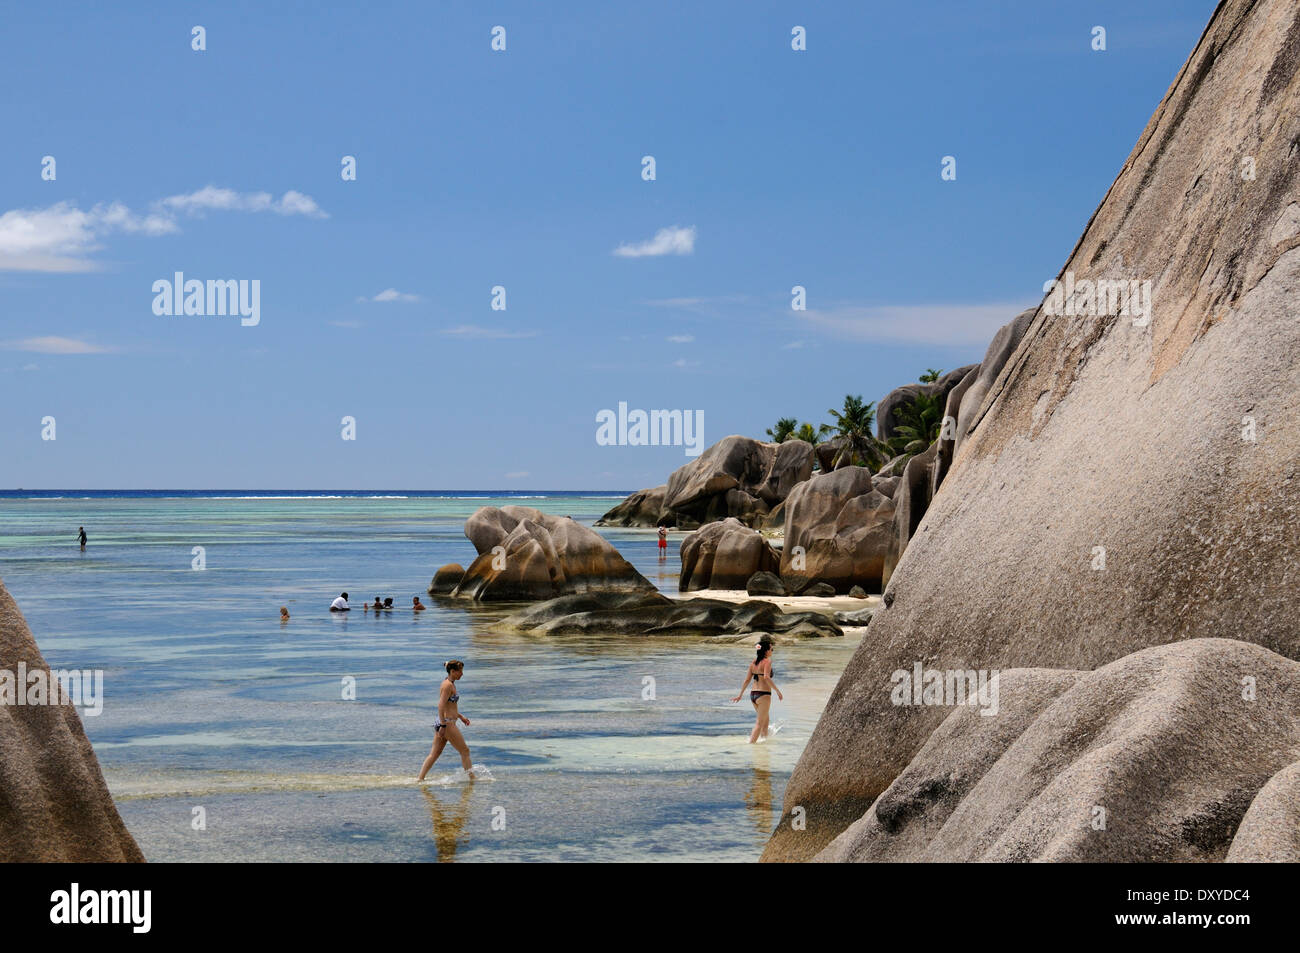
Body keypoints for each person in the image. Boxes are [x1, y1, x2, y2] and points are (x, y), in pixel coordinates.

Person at [417, 660, 474, 780]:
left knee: (435, 754)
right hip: (447, 723)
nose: (462, 674)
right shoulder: (447, 685)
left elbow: (450, 707)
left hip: (445, 721)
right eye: (460, 671)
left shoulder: (450, 683)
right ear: (452, 671)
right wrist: (443, 726)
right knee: (465, 751)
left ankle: (420, 779)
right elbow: (441, 705)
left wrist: (460, 716)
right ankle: (472, 780)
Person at [731, 638, 783, 743]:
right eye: (771, 649)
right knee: (759, 723)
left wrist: (740, 695)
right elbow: (767, 677)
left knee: (765, 719)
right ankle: (751, 745)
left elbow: (746, 680)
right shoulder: (767, 662)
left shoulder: (752, 663)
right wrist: (777, 691)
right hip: (763, 695)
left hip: (753, 695)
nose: (772, 651)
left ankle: (764, 740)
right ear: (766, 651)